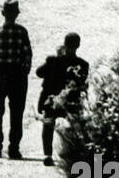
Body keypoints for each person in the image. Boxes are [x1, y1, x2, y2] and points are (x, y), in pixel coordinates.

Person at [0, 0, 33, 159]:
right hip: (17, 74)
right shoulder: (22, 31)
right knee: (17, 112)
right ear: (16, 14)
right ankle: (14, 148)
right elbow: (27, 55)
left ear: (3, 13)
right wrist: (24, 72)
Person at [36, 33, 89, 167]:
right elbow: (82, 82)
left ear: (64, 44)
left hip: (51, 98)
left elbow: (38, 72)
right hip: (71, 100)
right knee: (74, 127)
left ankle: (47, 155)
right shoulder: (83, 64)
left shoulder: (53, 60)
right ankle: (73, 154)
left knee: (48, 125)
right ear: (78, 46)